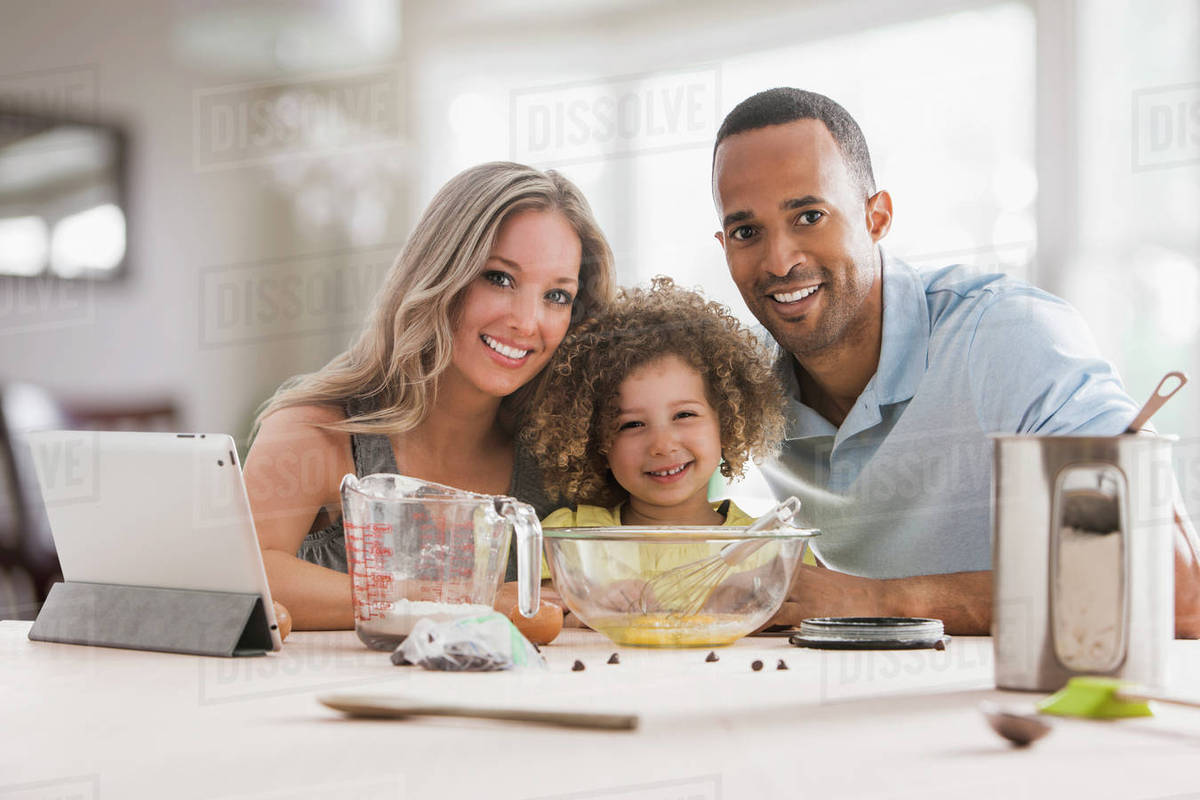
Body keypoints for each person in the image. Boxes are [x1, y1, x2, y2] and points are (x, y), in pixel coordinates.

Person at [710, 87, 1200, 636]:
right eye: (747, 232)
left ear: (877, 218)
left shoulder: (1007, 338)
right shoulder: (742, 389)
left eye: (809, 215)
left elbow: (1175, 590)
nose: (780, 261)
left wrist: (871, 601)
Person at [244, 161, 615, 631]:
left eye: (557, 296)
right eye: (499, 278)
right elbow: (242, 579)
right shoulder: (316, 429)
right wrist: (468, 598)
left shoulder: (563, 455)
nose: (527, 321)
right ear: (440, 273)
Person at [522, 277, 786, 533]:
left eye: (684, 415)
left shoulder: (770, 545)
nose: (662, 445)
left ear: (727, 424)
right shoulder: (568, 537)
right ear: (595, 445)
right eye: (632, 424)